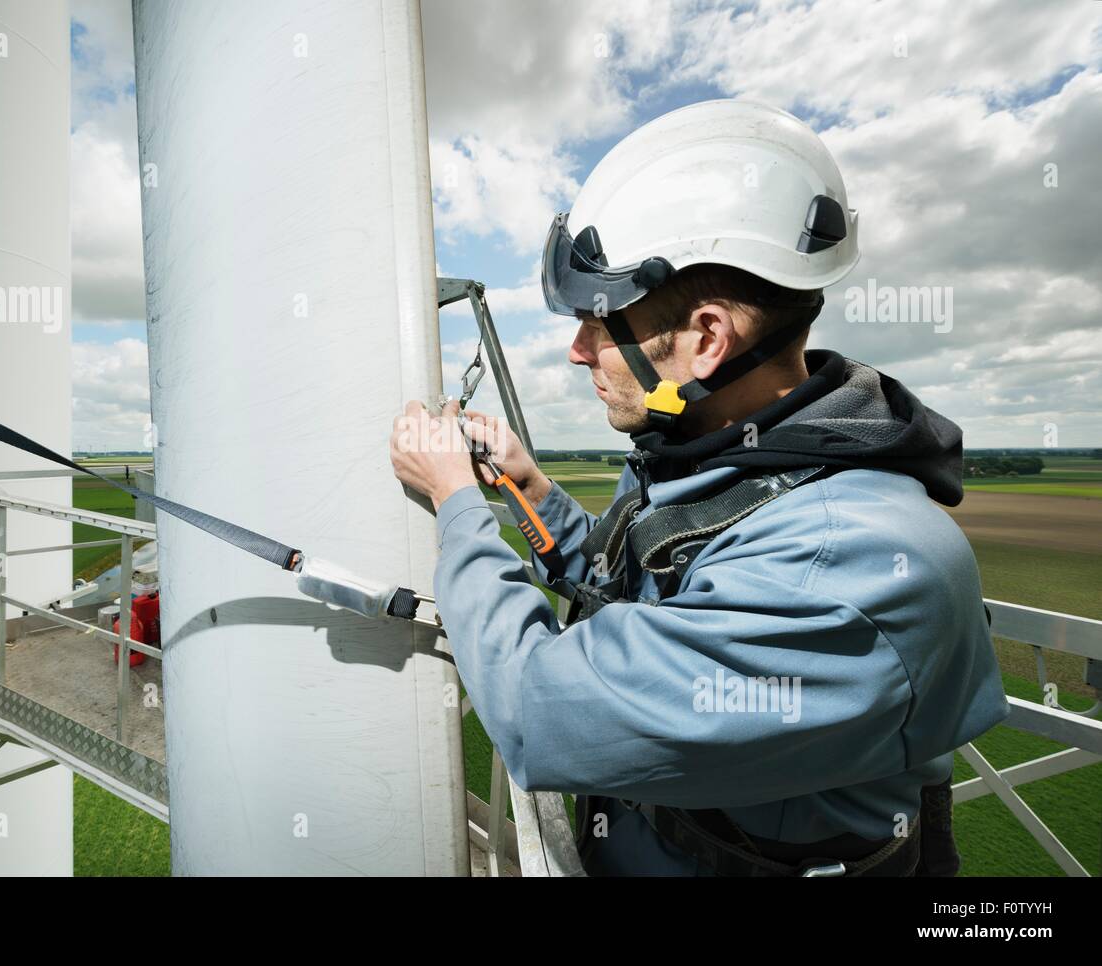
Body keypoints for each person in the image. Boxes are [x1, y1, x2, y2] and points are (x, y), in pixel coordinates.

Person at [390, 100, 1008, 876]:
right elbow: (643, 594)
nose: (578, 352)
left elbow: (534, 712)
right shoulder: (722, 460)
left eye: (597, 320)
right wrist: (532, 487)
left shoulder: (847, 566)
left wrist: (455, 500)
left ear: (707, 340)